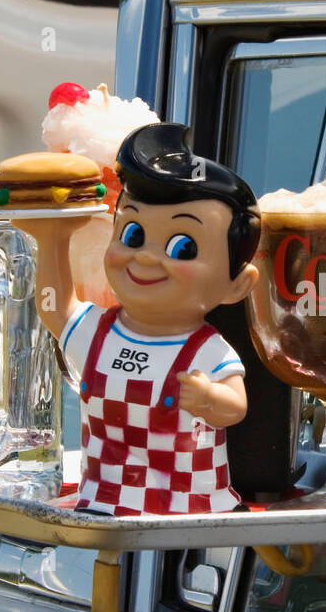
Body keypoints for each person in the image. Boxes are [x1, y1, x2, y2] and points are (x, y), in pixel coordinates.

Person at [15, 122, 260, 516]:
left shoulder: (205, 350)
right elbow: (53, 307)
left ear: (237, 285)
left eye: (184, 247)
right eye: (132, 234)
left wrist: (211, 399)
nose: (145, 257)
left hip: (185, 508)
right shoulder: (98, 332)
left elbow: (236, 407)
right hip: (101, 502)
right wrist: (51, 239)